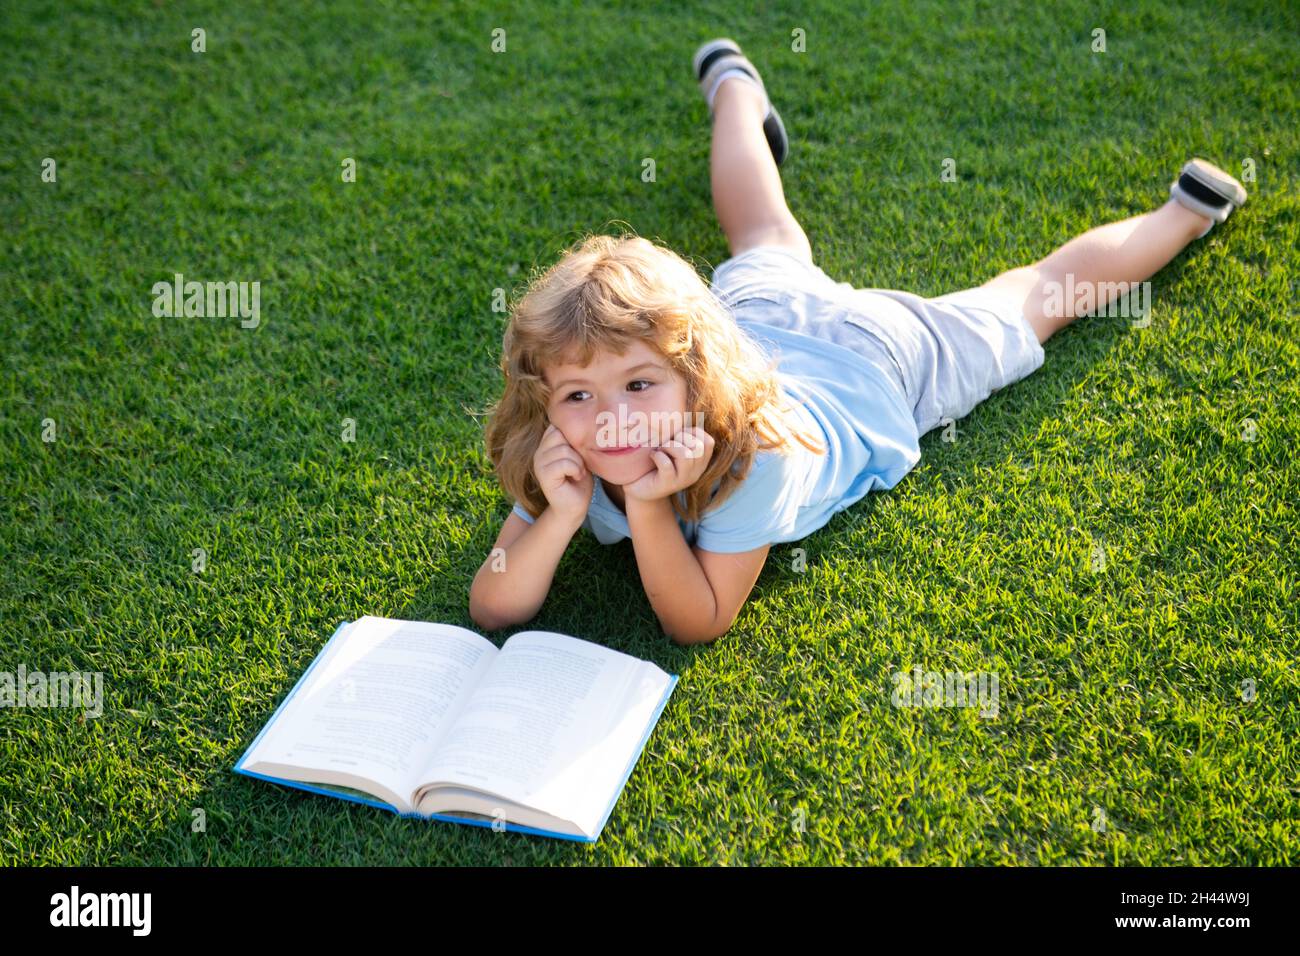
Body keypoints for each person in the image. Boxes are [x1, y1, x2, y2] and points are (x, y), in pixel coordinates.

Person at [468, 37, 1249, 645]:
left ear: (695, 377)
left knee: (1034, 298)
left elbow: (696, 620)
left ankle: (1184, 214)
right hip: (757, 320)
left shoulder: (753, 457)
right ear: (547, 398)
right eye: (579, 394)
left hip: (873, 362)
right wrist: (559, 518)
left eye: (638, 384)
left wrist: (645, 507)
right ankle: (736, 88)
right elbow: (493, 605)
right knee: (762, 229)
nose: (611, 418)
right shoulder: (559, 447)